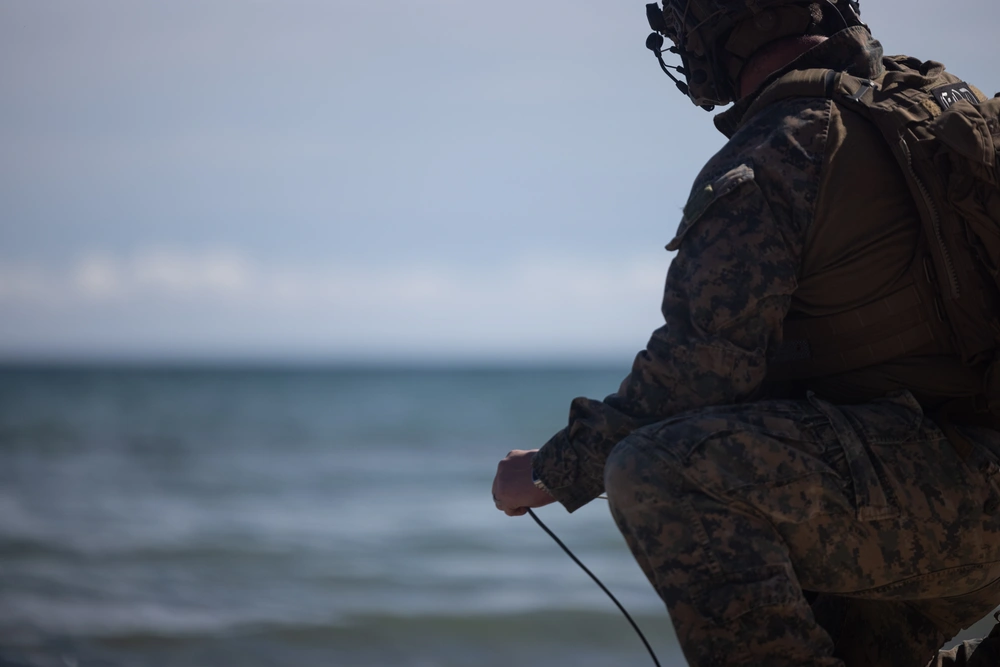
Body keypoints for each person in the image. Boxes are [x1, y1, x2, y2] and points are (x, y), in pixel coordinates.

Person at [491, 1, 1000, 665]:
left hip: (944, 501)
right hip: (945, 492)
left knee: (660, 471)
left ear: (712, 36)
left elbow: (696, 373)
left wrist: (546, 472)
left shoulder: (784, 146)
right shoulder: (950, 110)